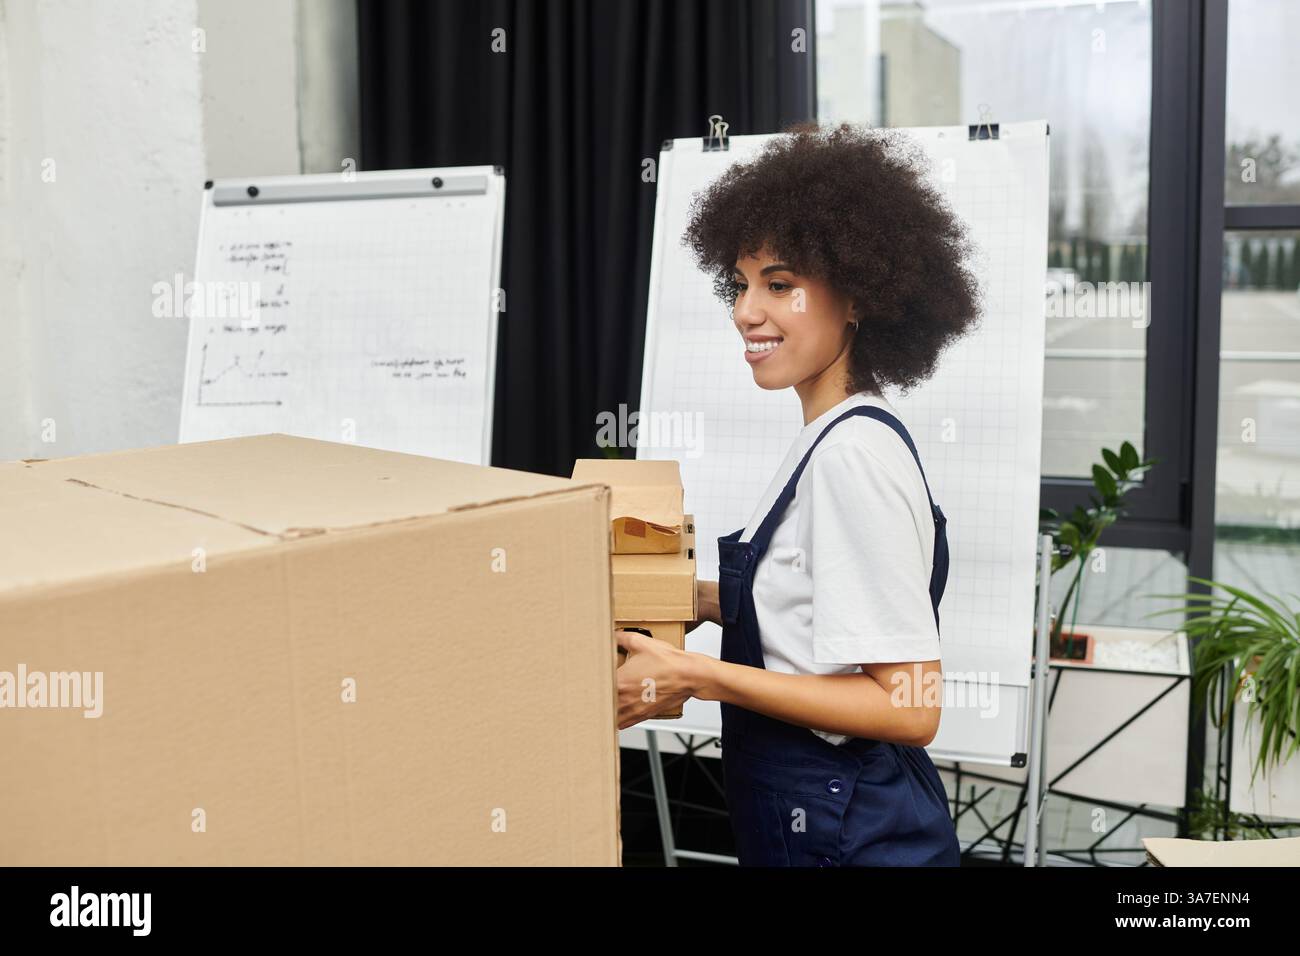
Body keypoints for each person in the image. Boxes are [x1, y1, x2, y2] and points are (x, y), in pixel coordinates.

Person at [615, 122, 981, 866]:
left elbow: (909, 706)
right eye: (743, 283)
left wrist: (696, 674)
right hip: (815, 813)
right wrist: (702, 600)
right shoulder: (831, 435)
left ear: (857, 297)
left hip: (848, 830)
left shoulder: (853, 457)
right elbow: (810, 610)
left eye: (779, 285)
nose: (746, 311)